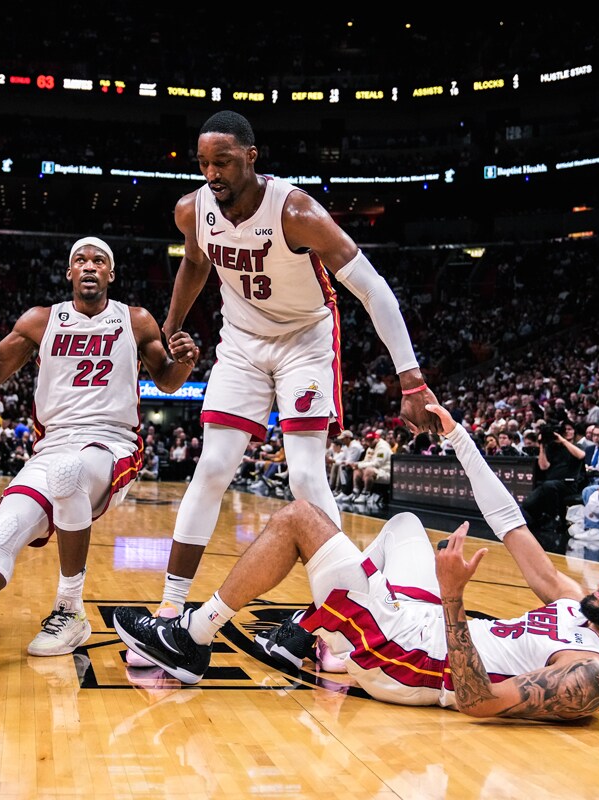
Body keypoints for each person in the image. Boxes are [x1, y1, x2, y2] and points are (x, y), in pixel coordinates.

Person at [113, 403, 599, 721]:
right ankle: (305, 636)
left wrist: (454, 597)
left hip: (413, 664)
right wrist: (459, 437)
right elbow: (510, 522)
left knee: (299, 518)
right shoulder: (576, 605)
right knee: (405, 526)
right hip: (429, 627)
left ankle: (191, 637)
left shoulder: (590, 676)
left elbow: (477, 701)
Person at [145, 109, 440, 648]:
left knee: (306, 478)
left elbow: (373, 289)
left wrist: (411, 378)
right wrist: (171, 326)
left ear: (252, 158)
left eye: (225, 162)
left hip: (305, 338)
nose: (213, 173)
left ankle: (342, 615)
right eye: (205, 163)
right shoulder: (193, 210)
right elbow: (194, 263)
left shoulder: (298, 212)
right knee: (211, 466)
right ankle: (169, 602)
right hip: (240, 342)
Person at [0, 237, 199, 670]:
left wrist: (185, 361)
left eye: (99, 261)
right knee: (7, 522)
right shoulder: (40, 320)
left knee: (70, 471)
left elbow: (166, 379)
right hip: (52, 445)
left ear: (111, 273)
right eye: (80, 261)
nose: (89, 266)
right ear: (69, 273)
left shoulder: (137, 320)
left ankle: (70, 610)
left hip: (112, 444)